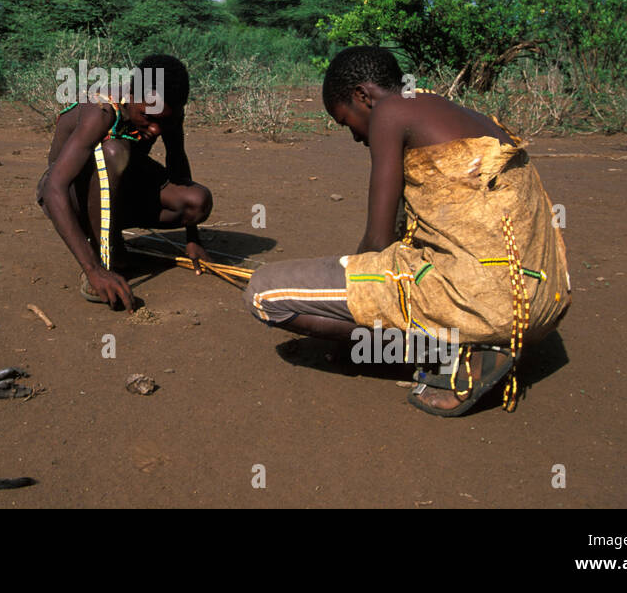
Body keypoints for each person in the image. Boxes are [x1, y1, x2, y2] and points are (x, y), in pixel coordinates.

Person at [243, 45, 572, 415]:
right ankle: (476, 343)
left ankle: (456, 352)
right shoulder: (461, 115)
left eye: (345, 121)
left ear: (362, 96)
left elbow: (378, 241)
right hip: (538, 305)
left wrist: (357, 307)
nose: (353, 136)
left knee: (262, 293)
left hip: (479, 304)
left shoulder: (390, 110)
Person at [37, 54, 212, 310]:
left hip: (119, 190)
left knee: (197, 202)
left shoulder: (166, 109)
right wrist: (94, 270)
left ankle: (112, 239)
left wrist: (193, 237)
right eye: (148, 118)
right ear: (131, 95)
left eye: (166, 121)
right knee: (114, 152)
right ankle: (103, 258)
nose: (156, 130)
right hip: (71, 197)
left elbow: (177, 165)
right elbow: (55, 187)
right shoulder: (101, 110)